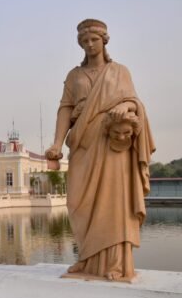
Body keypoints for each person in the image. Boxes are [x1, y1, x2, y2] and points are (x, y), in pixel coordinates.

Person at [45, 19, 155, 281]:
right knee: (78, 202)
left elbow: (135, 102)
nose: (89, 44)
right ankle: (86, 259)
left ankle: (115, 264)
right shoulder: (74, 76)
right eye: (84, 41)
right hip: (83, 143)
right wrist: (57, 143)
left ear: (104, 40)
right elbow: (65, 109)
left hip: (111, 146)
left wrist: (127, 107)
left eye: (94, 39)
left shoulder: (119, 72)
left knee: (113, 203)